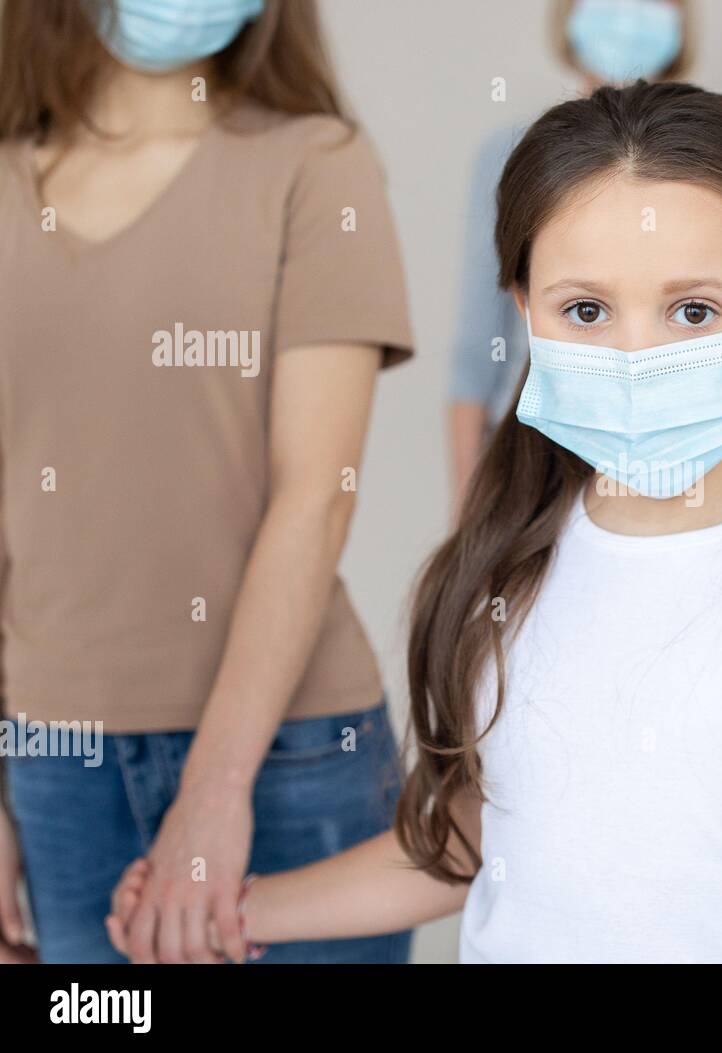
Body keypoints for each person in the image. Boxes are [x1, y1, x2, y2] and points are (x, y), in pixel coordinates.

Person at [109, 81, 722, 965]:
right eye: (585, 310)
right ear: (524, 313)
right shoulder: (500, 570)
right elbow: (475, 843)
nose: (637, 354)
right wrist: (232, 910)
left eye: (693, 311)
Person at [0, 0, 413, 964]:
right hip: (53, 758)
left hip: (294, 751)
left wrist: (216, 791)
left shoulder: (318, 163)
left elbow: (317, 492)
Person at [448, 0, 694, 506]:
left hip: (676, 446)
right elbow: (478, 350)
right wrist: (468, 508)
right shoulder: (509, 154)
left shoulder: (714, 160)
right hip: (536, 457)